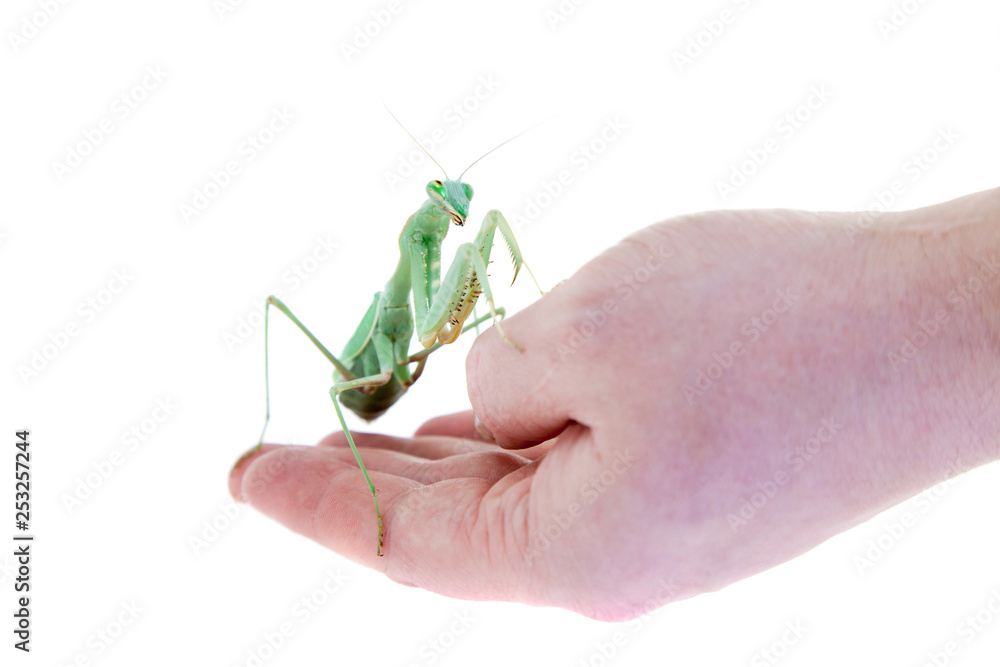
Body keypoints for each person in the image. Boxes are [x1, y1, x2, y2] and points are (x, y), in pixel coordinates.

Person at [229, 187, 1000, 622]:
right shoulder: (411, 270)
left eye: (455, 203)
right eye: (445, 204)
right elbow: (411, 340)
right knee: (273, 308)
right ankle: (277, 436)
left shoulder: (456, 244)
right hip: (363, 381)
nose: (456, 211)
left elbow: (450, 311)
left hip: (407, 356)